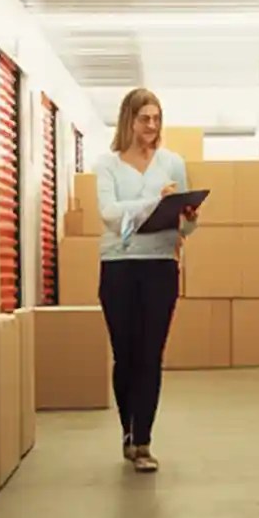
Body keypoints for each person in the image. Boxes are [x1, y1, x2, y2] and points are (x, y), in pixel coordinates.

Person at [93, 88, 199, 473]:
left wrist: (186, 214)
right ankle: (127, 428)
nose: (151, 126)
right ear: (129, 120)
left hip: (159, 266)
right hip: (119, 266)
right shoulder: (107, 164)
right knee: (126, 355)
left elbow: (187, 225)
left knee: (151, 354)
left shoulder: (172, 163)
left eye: (156, 118)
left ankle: (144, 441)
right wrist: (154, 204)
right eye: (144, 119)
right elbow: (108, 213)